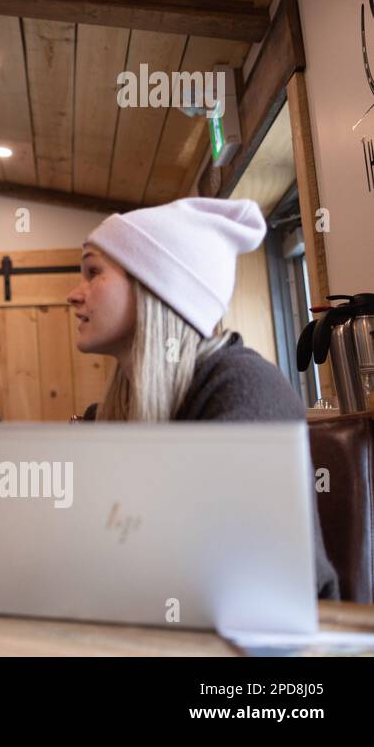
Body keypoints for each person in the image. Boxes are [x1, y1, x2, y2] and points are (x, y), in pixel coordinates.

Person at [66, 196, 339, 598]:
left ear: (155, 287)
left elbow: (226, 567)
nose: (74, 293)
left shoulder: (248, 389)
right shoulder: (113, 412)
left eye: (93, 272)